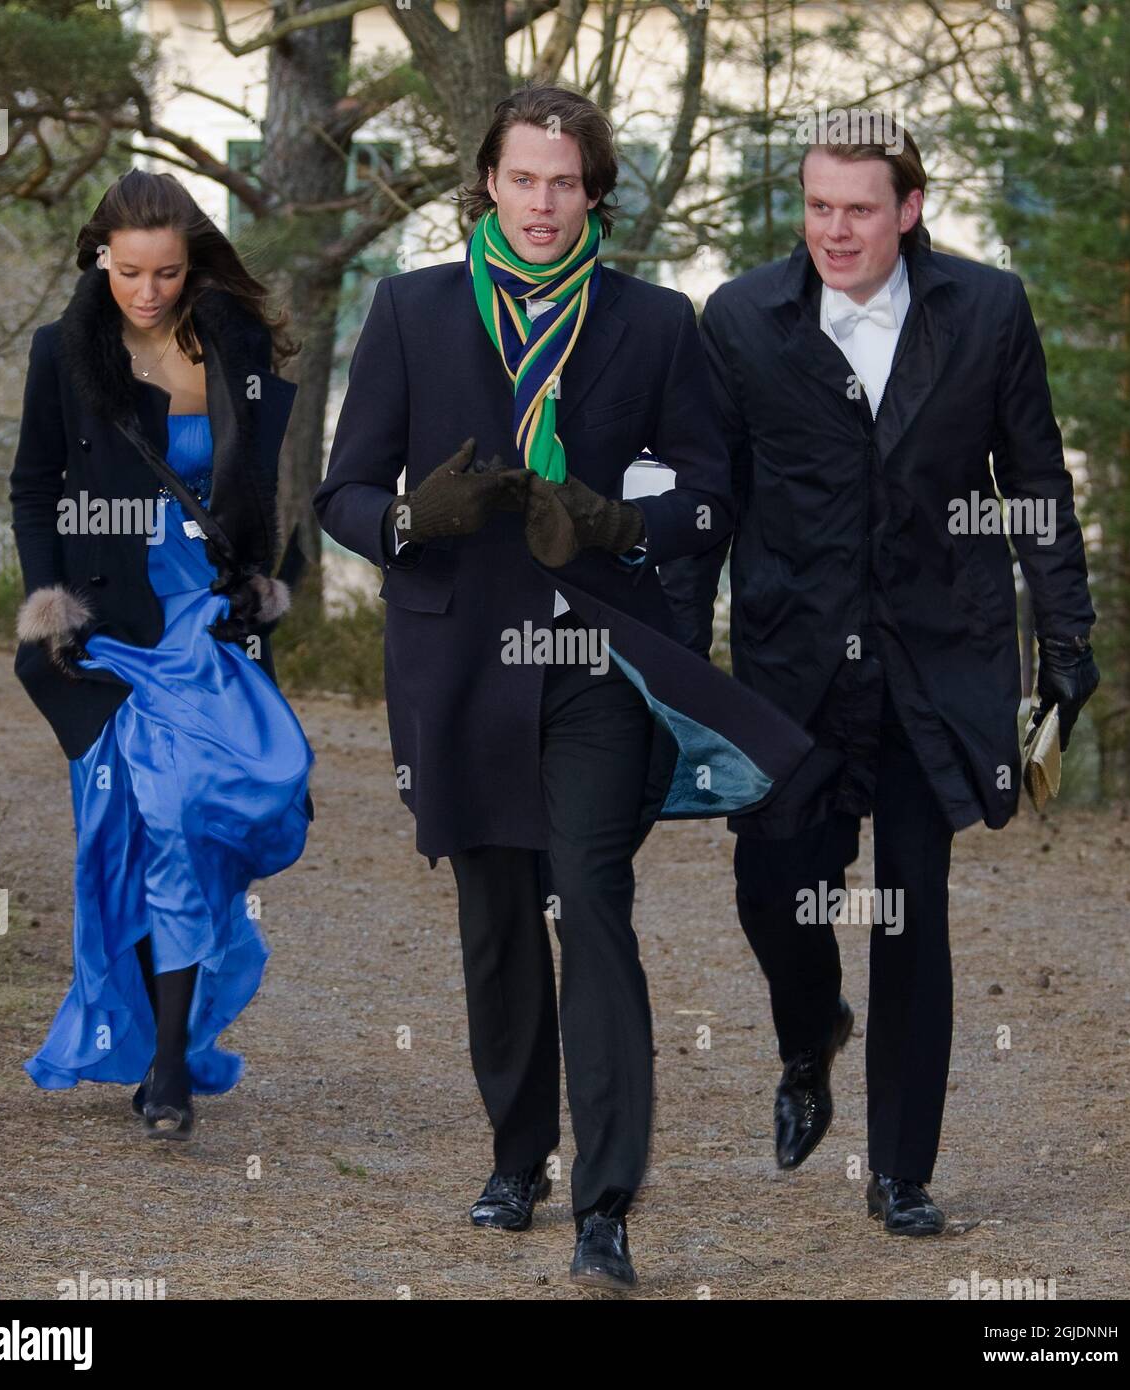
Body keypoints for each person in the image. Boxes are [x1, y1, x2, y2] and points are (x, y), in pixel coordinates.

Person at [314, 84, 827, 1289]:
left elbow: (711, 496)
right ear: (487, 182)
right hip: (457, 660)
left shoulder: (656, 322)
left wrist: (619, 523)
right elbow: (337, 497)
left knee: (590, 902)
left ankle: (607, 1198)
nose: (544, 204)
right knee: (496, 920)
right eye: (523, 178)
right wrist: (406, 518)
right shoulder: (410, 308)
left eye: (567, 182)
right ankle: (515, 1156)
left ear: (596, 190)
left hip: (601, 660)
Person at [660, 119, 1099, 1234]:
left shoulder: (989, 310)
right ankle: (810, 1035)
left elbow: (1035, 484)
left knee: (914, 908)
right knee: (773, 886)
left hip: (934, 660)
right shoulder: (742, 321)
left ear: (908, 208)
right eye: (817, 207)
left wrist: (1068, 644)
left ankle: (901, 1171)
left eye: (859, 209)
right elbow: (714, 496)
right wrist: (668, 660)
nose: (834, 230)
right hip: (791, 664)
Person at [10, 169, 314, 1140]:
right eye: (130, 271)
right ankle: (163, 1060)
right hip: (108, 626)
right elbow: (31, 486)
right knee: (129, 837)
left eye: (169, 272)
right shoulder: (65, 351)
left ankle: (172, 1055)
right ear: (101, 255)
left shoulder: (233, 343)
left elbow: (261, 484)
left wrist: (263, 589)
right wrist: (46, 603)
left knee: (195, 818)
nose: (148, 291)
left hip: (204, 623)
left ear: (193, 263)